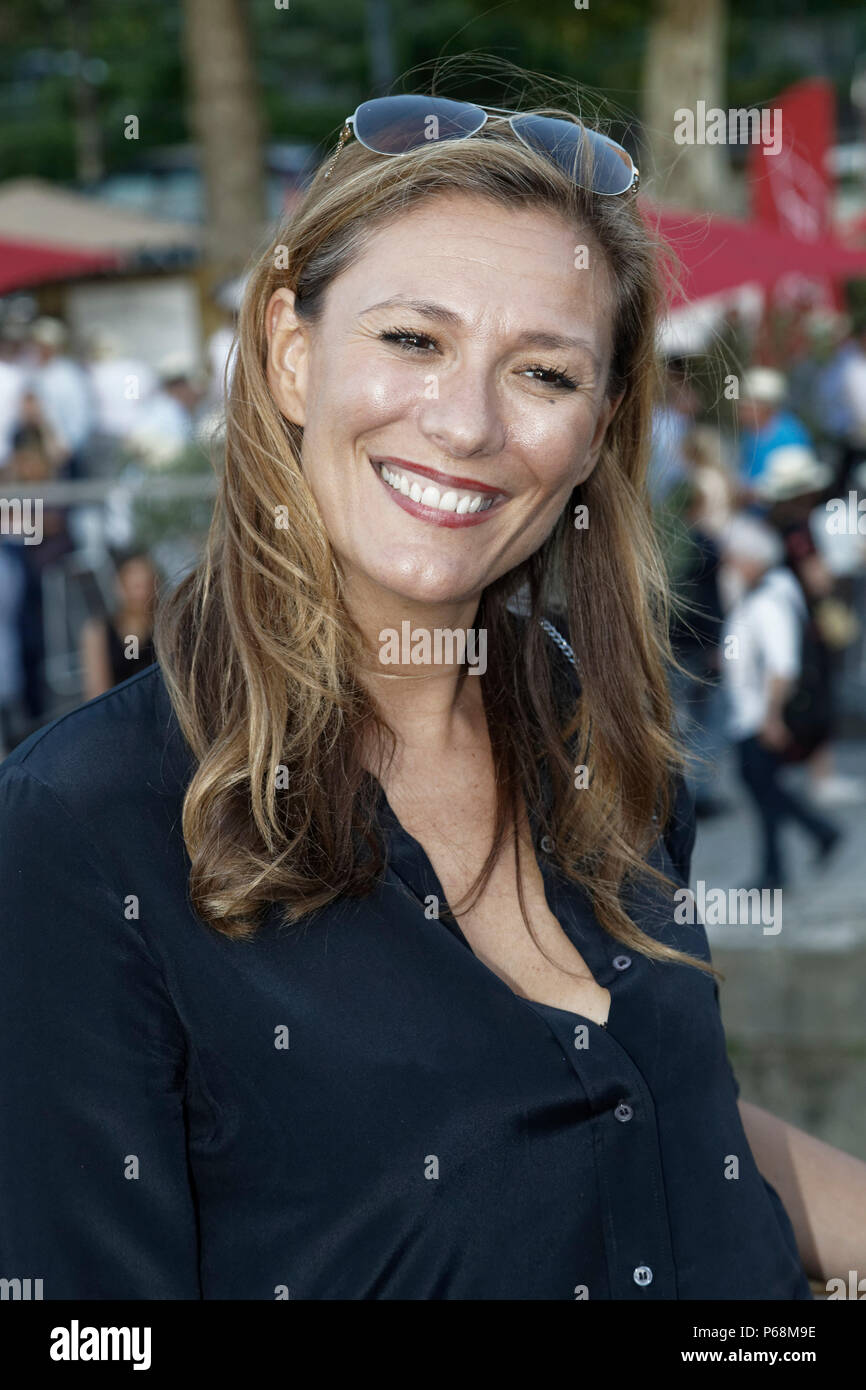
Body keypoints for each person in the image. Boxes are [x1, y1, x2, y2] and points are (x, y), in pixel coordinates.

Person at [2, 81, 865, 1302]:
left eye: (544, 374)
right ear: (291, 357)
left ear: (598, 425)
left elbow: (653, 1106)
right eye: (412, 340)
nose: (463, 424)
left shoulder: (597, 733)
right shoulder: (85, 822)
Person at [721, 514, 841, 890]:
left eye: (734, 556)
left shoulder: (768, 600)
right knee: (764, 791)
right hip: (752, 713)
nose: (729, 563)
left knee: (763, 788)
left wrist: (771, 717)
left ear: (752, 558)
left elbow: (782, 666)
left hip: (758, 715)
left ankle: (813, 838)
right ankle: (782, 864)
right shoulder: (771, 589)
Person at [79, 548, 158, 699]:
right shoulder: (99, 631)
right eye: (136, 587)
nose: (142, 594)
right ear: (121, 586)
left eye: (147, 585)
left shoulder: (165, 628)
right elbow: (97, 691)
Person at [738, 366, 812, 492]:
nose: (741, 411)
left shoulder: (789, 434)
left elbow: (794, 487)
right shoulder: (750, 433)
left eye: (747, 406)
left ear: (766, 407)